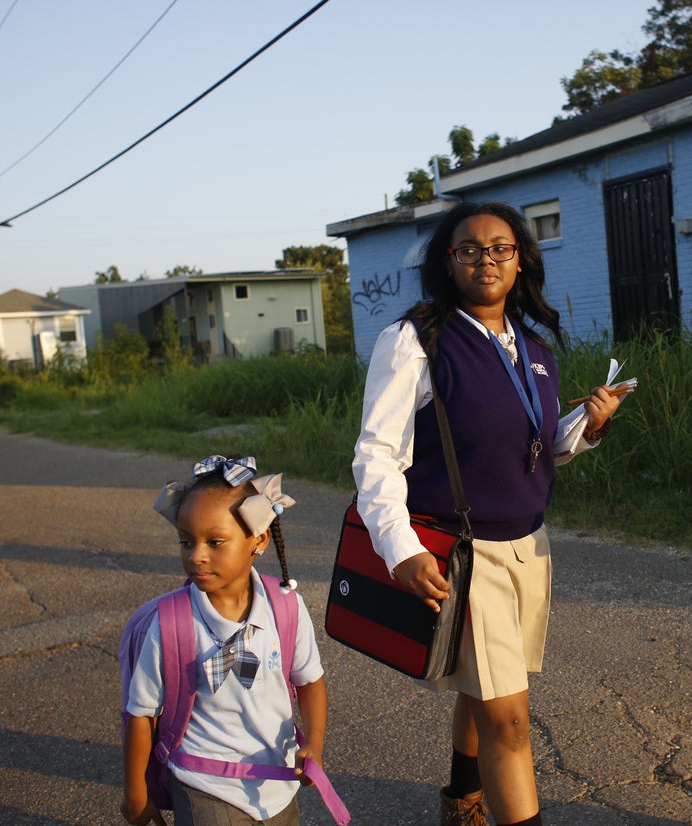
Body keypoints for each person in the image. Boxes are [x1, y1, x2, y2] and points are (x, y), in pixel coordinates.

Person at [352, 201, 622, 826]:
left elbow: (534, 448)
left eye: (500, 247)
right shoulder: (417, 339)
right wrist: (401, 548)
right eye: (468, 249)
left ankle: (460, 799)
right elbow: (376, 455)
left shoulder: (535, 349)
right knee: (512, 722)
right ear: (448, 263)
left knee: (486, 686)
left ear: (520, 258)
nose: (486, 259)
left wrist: (587, 427)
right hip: (466, 554)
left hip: (531, 547)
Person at [122, 455, 329, 826]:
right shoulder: (170, 624)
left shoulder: (286, 608)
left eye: (215, 542)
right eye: (186, 542)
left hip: (277, 785)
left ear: (258, 539)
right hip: (204, 785)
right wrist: (136, 792)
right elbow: (141, 714)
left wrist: (314, 743)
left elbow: (309, 679)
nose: (197, 556)